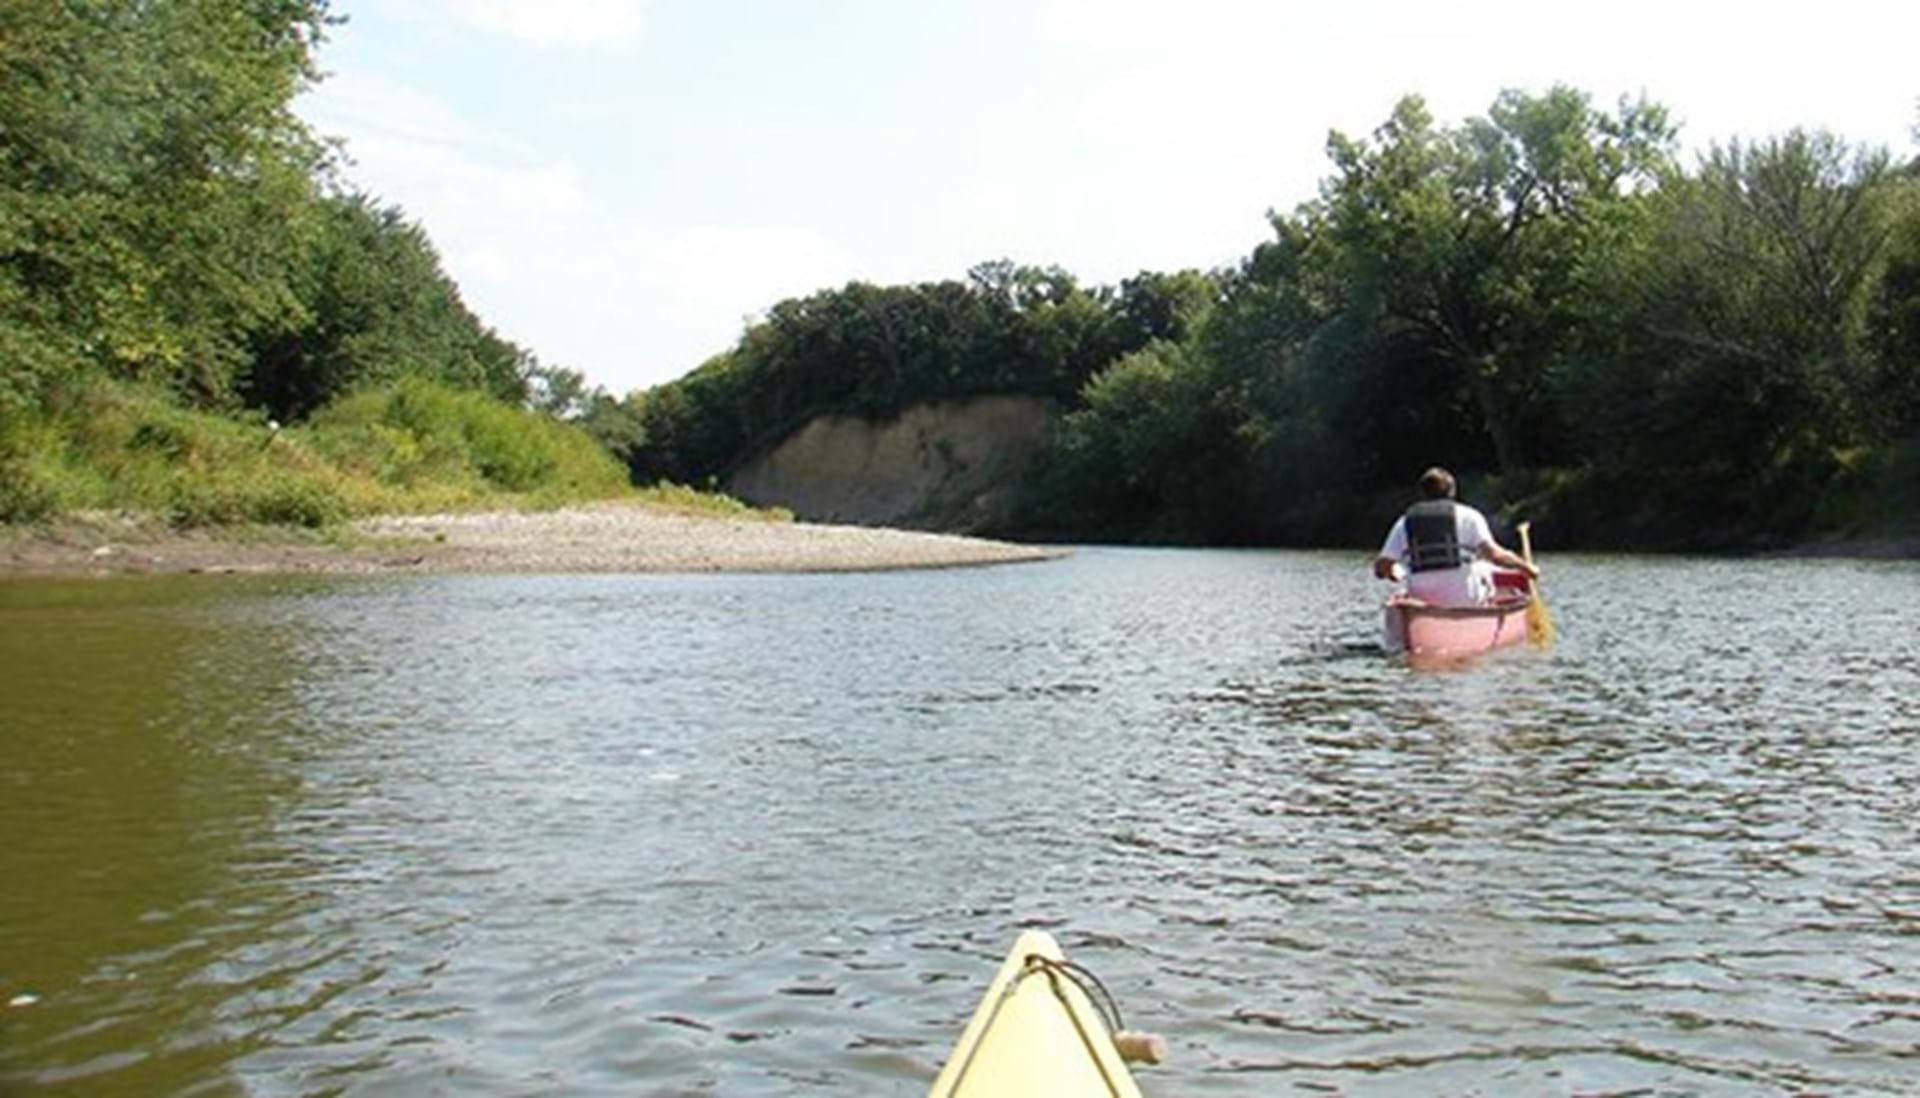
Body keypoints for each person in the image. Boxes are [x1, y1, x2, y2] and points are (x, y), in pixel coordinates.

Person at [1372, 467, 1538, 606]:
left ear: (1422, 493)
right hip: (1463, 598)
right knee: (1484, 567)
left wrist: (1392, 573)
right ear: (1453, 492)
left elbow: (1381, 568)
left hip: (1421, 598)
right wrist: (1527, 568)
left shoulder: (1404, 522)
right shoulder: (1470, 516)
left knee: (1407, 579)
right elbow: (1494, 555)